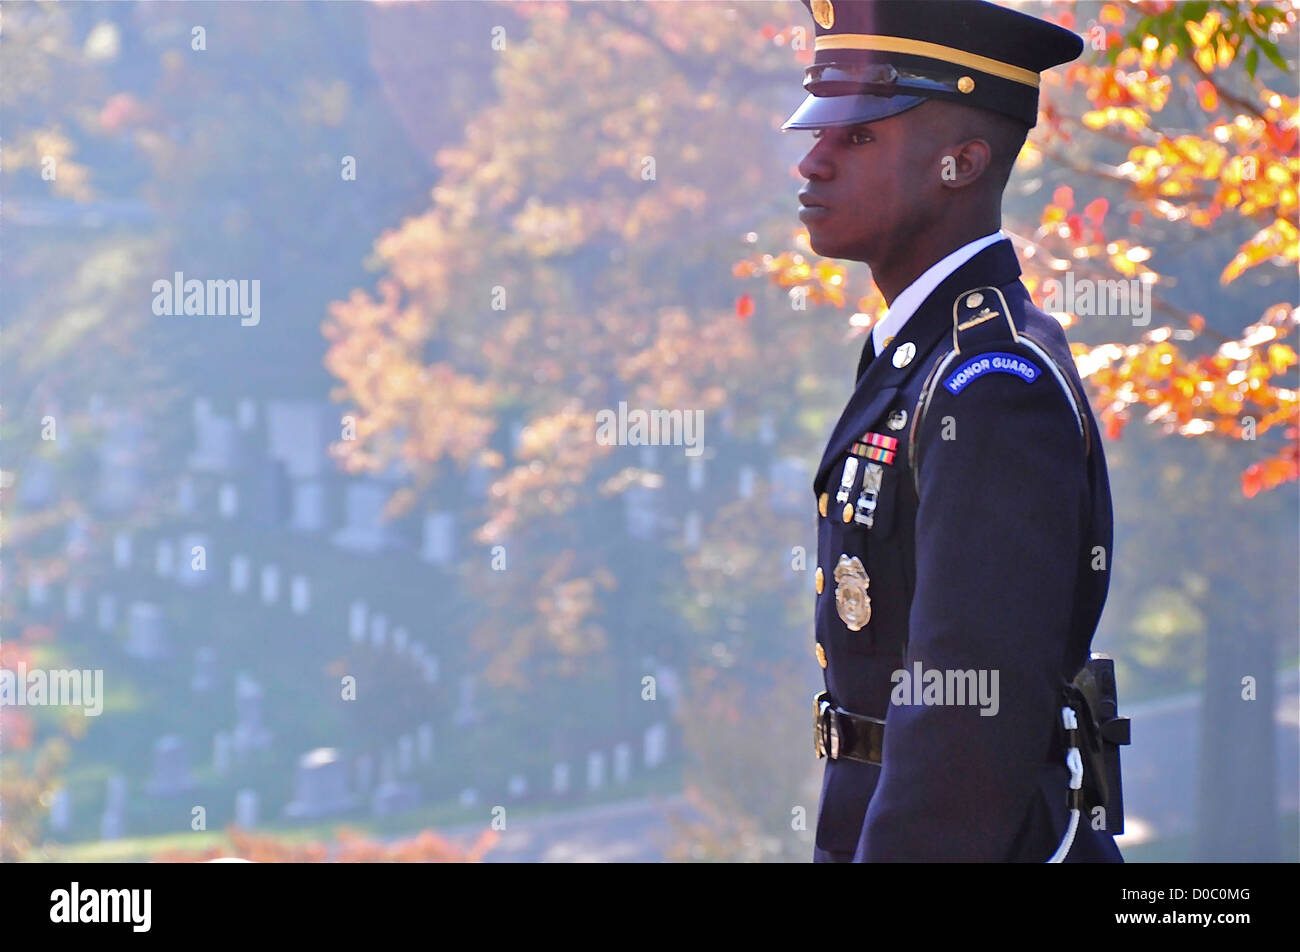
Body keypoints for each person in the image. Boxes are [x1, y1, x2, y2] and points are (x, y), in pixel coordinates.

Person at [786, 0, 1124, 862]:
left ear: (961, 162)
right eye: (819, 128)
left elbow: (964, 725)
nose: (812, 159)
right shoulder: (920, 355)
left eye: (858, 136)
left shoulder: (988, 384)